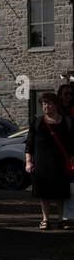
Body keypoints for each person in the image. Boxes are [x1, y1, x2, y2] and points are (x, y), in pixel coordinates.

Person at [24, 91, 73, 230]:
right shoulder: (38, 122)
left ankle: (61, 220)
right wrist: (28, 162)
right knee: (44, 193)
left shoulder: (67, 122)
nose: (46, 106)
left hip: (61, 163)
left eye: (49, 103)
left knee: (61, 194)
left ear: (56, 105)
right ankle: (45, 219)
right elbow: (29, 144)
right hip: (42, 163)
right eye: (44, 104)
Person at [59, 82, 74, 227]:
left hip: (71, 153)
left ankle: (68, 217)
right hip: (59, 153)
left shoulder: (72, 111)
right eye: (65, 94)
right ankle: (64, 217)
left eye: (71, 94)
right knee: (64, 186)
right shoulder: (56, 112)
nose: (68, 97)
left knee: (71, 185)